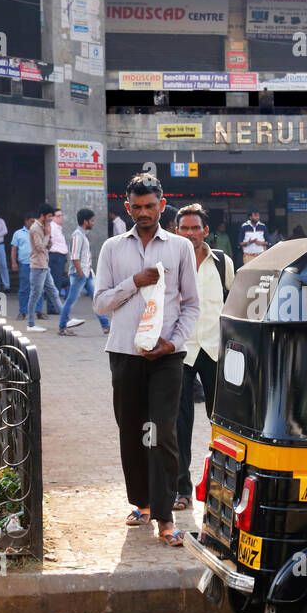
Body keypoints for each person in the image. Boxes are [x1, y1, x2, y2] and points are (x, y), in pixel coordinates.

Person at [94, 173, 200, 548]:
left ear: (161, 205)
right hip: (124, 352)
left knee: (163, 433)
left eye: (150, 206)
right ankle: (139, 503)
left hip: (167, 357)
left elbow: (191, 305)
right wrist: (134, 282)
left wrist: (172, 344)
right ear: (128, 207)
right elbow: (100, 302)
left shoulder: (180, 248)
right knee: (133, 431)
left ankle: (165, 516)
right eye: (136, 207)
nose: (143, 213)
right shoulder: (111, 248)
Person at [172, 203, 235, 511]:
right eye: (184, 228)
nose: (190, 233)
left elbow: (234, 307)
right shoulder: (168, 262)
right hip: (180, 352)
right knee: (179, 425)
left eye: (196, 228)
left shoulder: (223, 263)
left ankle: (221, 487)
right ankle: (181, 489)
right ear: (175, 230)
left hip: (214, 350)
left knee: (221, 424)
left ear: (205, 231)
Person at [58, 208, 110, 337]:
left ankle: (106, 325)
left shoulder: (82, 235)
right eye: (91, 220)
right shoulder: (77, 235)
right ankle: (62, 327)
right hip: (79, 275)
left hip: (86, 274)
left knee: (96, 299)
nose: (93, 223)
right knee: (70, 300)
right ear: (85, 221)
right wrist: (81, 274)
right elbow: (74, 257)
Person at [25, 204, 63, 333]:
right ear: (42, 215)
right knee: (35, 295)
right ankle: (30, 324)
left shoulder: (43, 227)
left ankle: (65, 319)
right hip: (38, 266)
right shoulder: (35, 228)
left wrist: (49, 235)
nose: (51, 218)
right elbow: (40, 247)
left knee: (53, 292)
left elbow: (48, 246)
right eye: (49, 216)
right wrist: (47, 235)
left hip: (44, 265)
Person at [10, 211, 39, 320]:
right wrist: (13, 262)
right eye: (31, 221)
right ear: (26, 221)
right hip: (24, 264)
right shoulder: (18, 233)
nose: (33, 223)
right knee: (24, 288)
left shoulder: (38, 232)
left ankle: (38, 311)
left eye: (34, 221)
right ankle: (22, 312)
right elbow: (14, 249)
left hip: (37, 264)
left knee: (37, 288)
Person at [49, 207, 70, 297]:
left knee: (58, 279)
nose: (61, 217)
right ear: (53, 217)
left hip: (61, 256)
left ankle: (54, 305)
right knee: (56, 280)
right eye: (58, 216)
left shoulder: (58, 228)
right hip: (55, 255)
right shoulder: (52, 227)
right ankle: (53, 306)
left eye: (61, 215)